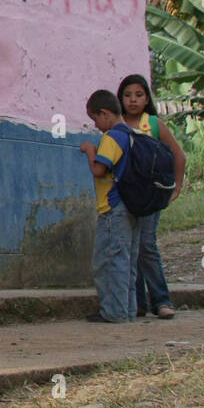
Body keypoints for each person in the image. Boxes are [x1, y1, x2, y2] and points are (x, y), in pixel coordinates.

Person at [117, 73, 186, 319]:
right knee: (130, 248)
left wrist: (175, 188)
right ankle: (137, 304)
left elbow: (179, 155)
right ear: (120, 99)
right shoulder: (118, 126)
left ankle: (161, 300)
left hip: (150, 196)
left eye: (138, 95)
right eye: (127, 95)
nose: (133, 100)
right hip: (125, 196)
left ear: (147, 98)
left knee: (147, 245)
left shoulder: (154, 125)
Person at [79, 90, 139, 323]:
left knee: (107, 261)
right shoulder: (133, 135)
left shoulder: (113, 137)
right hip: (133, 206)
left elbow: (99, 169)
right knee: (127, 262)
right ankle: (128, 310)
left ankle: (113, 312)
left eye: (95, 119)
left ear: (104, 113)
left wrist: (89, 150)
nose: (96, 125)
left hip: (114, 207)